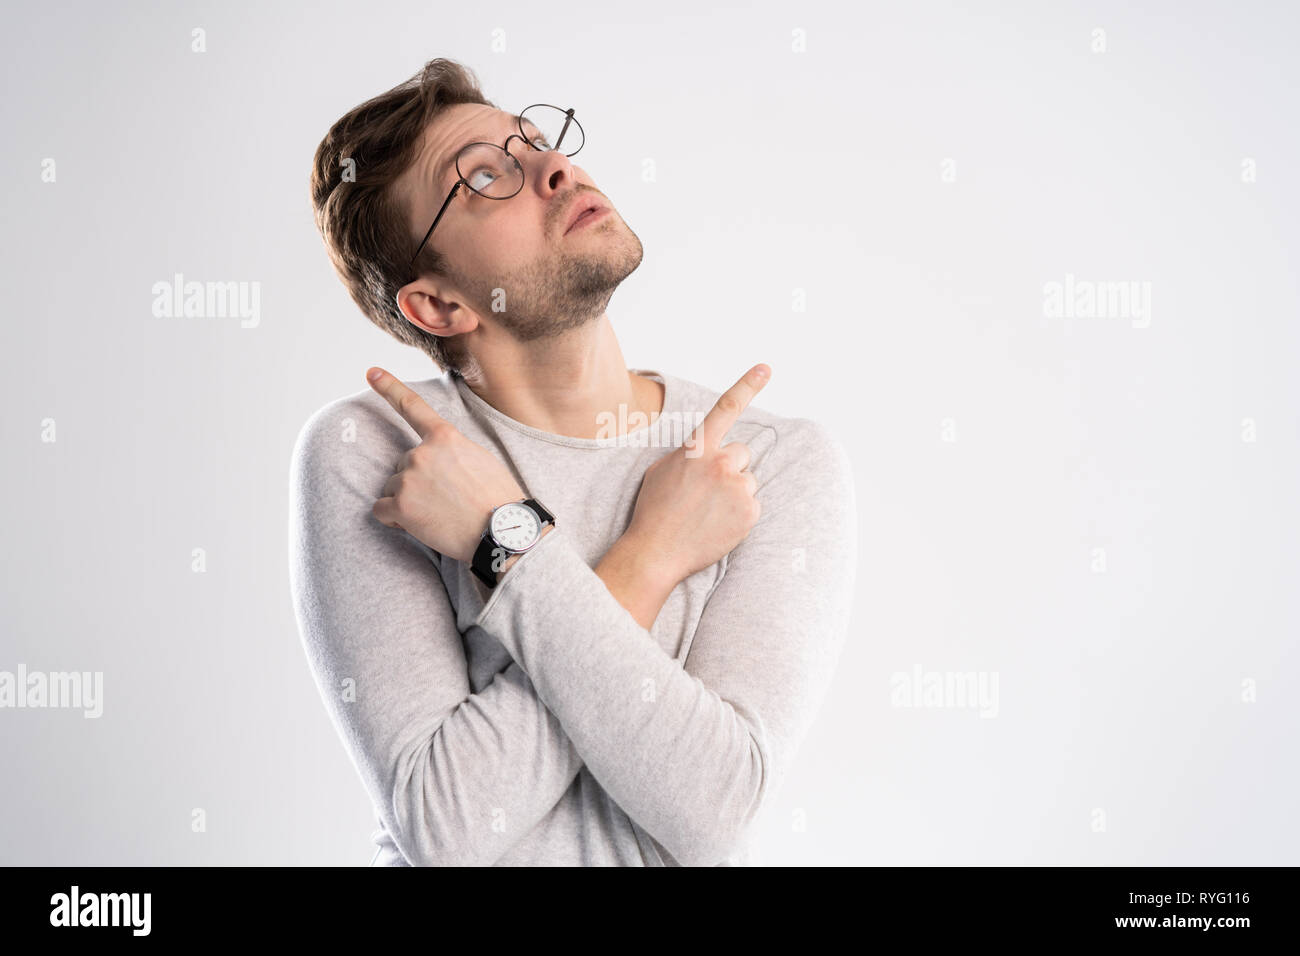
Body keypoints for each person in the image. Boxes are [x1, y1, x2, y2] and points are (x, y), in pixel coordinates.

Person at [290, 57, 857, 866]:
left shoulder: (764, 462)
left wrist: (502, 546)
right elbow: (446, 828)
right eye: (488, 176)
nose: (554, 168)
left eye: (537, 143)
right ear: (440, 304)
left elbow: (716, 811)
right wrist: (649, 555)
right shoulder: (382, 455)